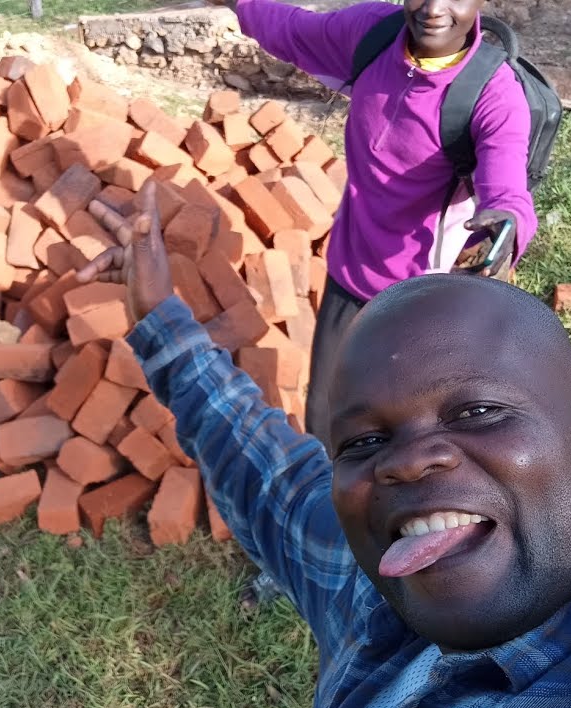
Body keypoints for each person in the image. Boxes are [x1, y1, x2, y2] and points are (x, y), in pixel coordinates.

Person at [78, 183, 571, 708]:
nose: (406, 461)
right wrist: (159, 315)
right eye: (364, 440)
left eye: (478, 411)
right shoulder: (374, 599)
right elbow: (263, 468)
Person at [210, 0, 539, 451]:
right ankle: (327, 517)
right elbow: (291, 29)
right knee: (330, 426)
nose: (435, 9)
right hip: (349, 275)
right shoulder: (373, 34)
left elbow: (507, 185)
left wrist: (504, 224)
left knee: (412, 439)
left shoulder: (492, 94)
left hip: (422, 300)